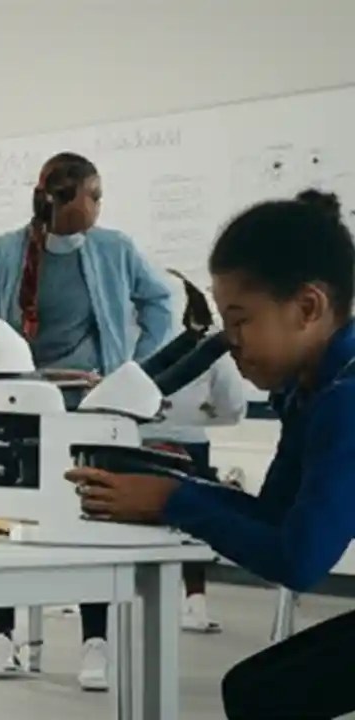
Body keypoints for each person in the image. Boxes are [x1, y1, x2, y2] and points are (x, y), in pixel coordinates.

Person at [66, 189, 355, 719]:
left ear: (308, 308)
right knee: (255, 692)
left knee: (266, 697)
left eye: (241, 320)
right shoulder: (307, 390)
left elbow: (298, 560)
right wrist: (170, 491)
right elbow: (275, 517)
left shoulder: (346, 398)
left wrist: (173, 500)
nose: (230, 342)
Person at [0, 151, 172, 690]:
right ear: (61, 198)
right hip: (21, 407)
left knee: (88, 517)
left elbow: (160, 304)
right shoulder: (6, 252)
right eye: (93, 195)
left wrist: (132, 369)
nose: (99, 205)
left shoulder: (115, 249)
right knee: (10, 517)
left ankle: (95, 642)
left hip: (92, 405)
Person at [139, 269, 247, 633]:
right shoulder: (205, 349)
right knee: (193, 522)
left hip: (134, 441)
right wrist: (202, 414)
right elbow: (233, 407)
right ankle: (195, 602)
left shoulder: (125, 340)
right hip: (190, 442)